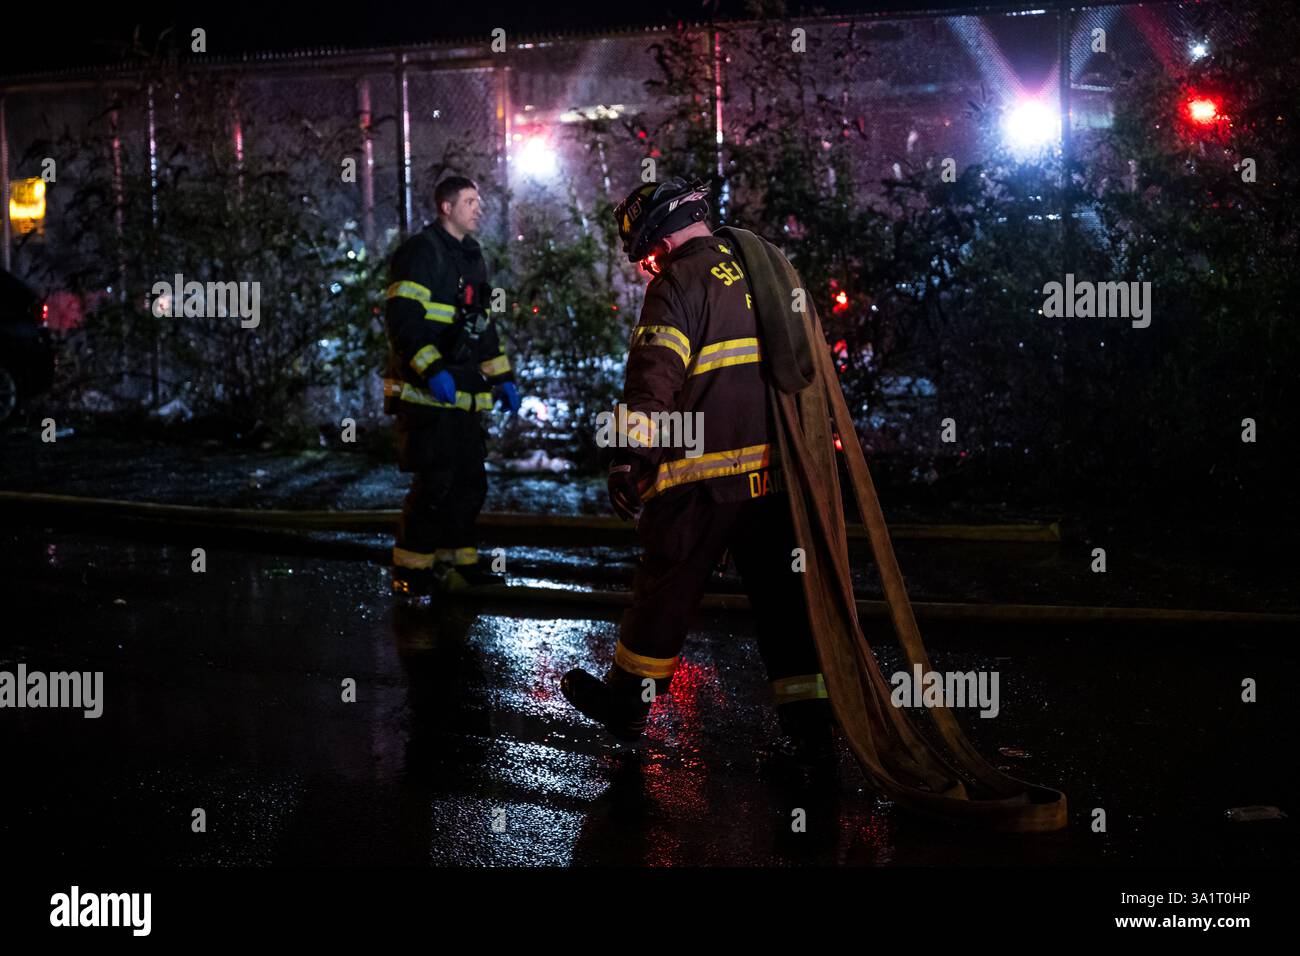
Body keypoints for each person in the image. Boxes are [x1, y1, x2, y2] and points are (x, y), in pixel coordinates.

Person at [560, 177, 833, 761]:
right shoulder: (762, 266)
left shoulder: (677, 283)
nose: (648, 265)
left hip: (700, 483)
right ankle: (812, 733)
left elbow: (652, 383)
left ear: (658, 238)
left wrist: (627, 460)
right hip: (774, 479)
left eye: (646, 254)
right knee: (786, 608)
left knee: (664, 594)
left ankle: (626, 710)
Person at [382, 176, 521, 596]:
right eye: (469, 201)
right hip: (426, 394)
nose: (479, 208)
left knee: (469, 484)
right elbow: (404, 321)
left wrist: (504, 378)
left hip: (463, 395)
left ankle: (458, 563)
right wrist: (433, 369)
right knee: (435, 483)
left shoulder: (470, 256)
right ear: (446, 207)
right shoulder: (420, 253)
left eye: (479, 200)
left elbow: (482, 327)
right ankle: (411, 569)